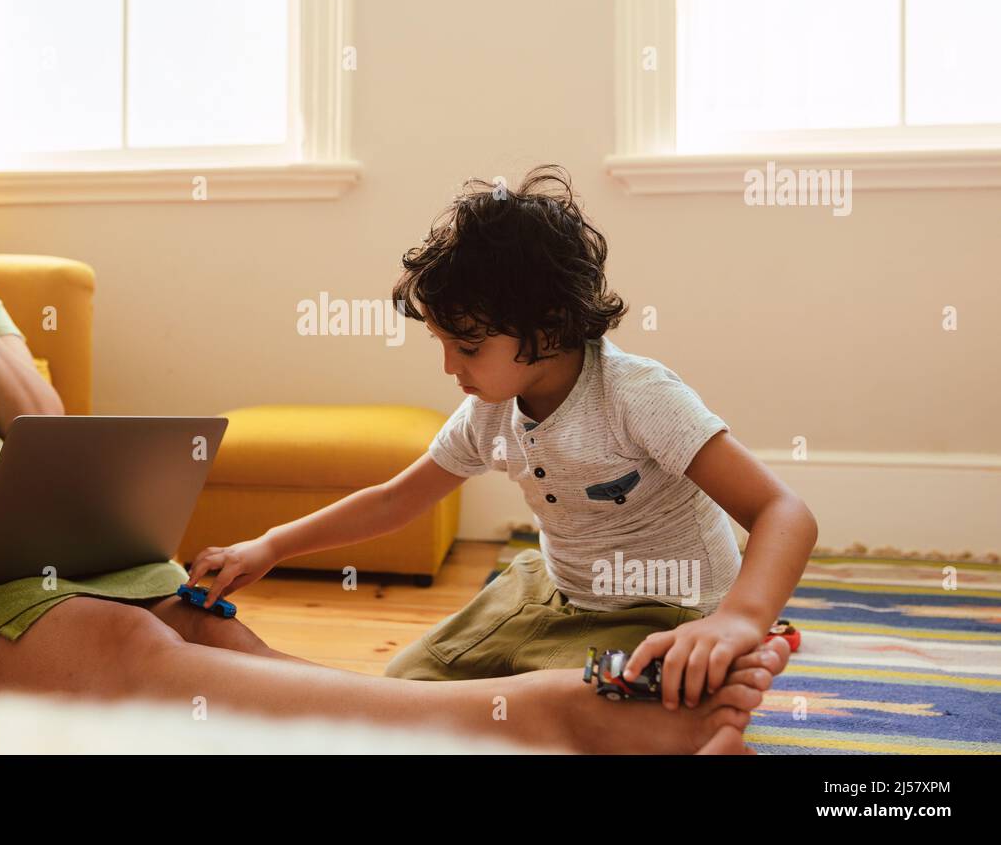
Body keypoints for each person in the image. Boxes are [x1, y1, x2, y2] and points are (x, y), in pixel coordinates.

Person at [0, 95, 785, 753]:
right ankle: (556, 722)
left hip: (2, 526)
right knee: (123, 643)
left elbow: (38, 427)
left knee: (206, 627)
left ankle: (467, 737)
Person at [188, 165, 818, 711]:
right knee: (407, 692)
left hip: (669, 610)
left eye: (466, 347)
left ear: (547, 326)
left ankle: (718, 677)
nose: (449, 368)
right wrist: (268, 546)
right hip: (553, 591)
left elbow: (783, 512)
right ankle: (669, 705)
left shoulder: (637, 394)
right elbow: (394, 500)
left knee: (579, 709)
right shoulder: (490, 407)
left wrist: (738, 620)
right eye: (443, 345)